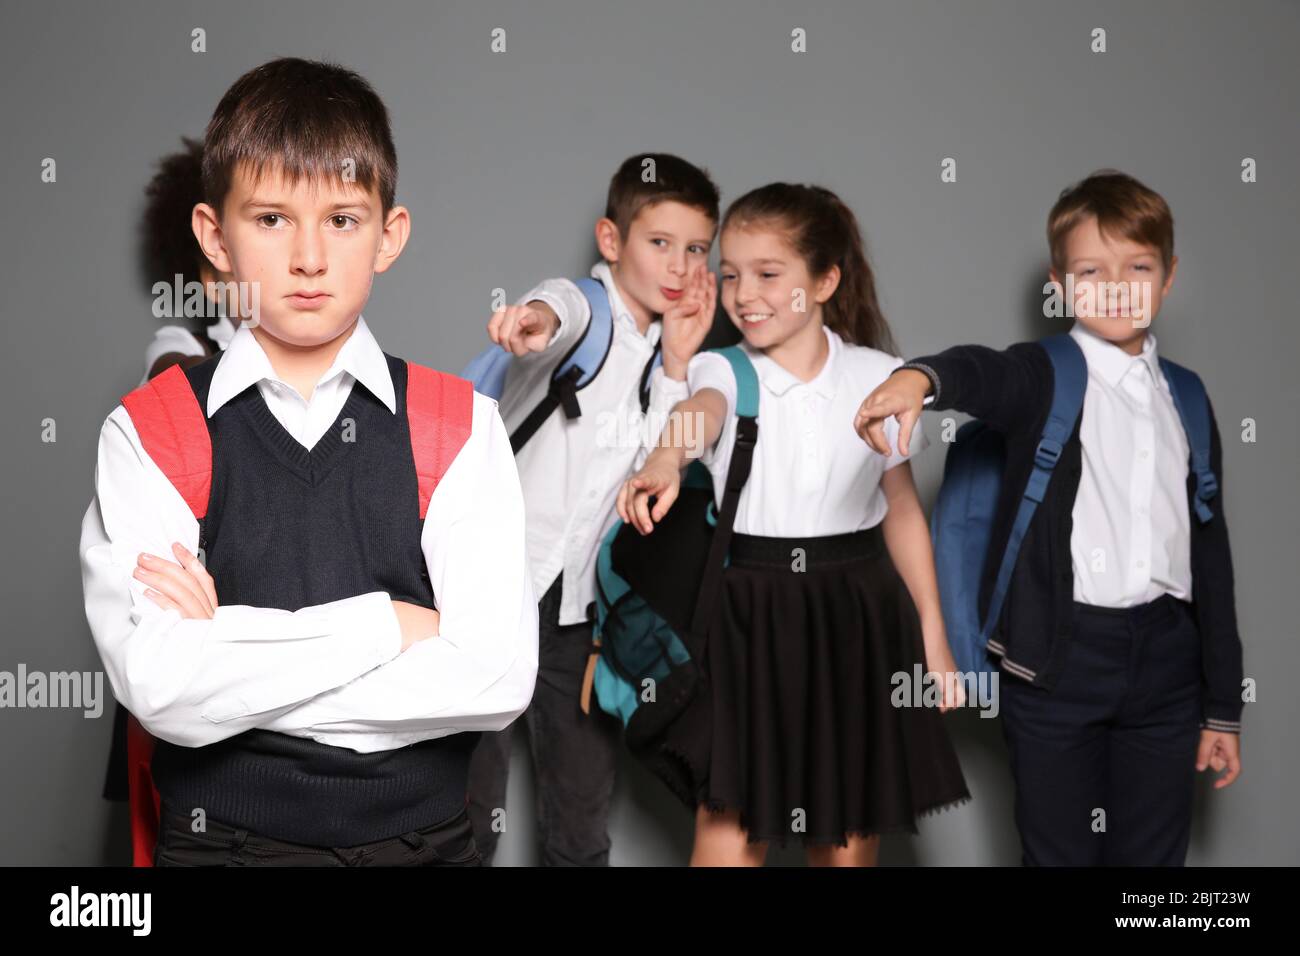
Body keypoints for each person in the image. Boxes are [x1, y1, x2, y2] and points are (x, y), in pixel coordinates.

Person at [79, 57, 538, 867]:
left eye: (342, 219)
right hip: (221, 848)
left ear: (389, 235)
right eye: (270, 219)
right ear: (213, 237)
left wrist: (227, 652)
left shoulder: (460, 425)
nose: (309, 258)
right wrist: (389, 625)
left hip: (427, 847)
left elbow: (495, 679)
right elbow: (159, 690)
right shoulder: (151, 431)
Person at [856, 170, 1244, 865]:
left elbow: (1210, 556)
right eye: (1092, 270)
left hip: (1166, 665)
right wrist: (920, 379)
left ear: (1170, 275)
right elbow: (981, 371)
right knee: (1060, 855)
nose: (1118, 285)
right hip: (1057, 660)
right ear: (1060, 284)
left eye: (1139, 266)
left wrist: (1221, 706)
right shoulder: (1045, 374)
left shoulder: (1187, 395)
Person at [619, 183, 970, 866]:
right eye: (730, 275)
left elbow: (899, 507)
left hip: (858, 614)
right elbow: (702, 413)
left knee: (843, 844)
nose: (744, 293)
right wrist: (666, 458)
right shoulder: (722, 367)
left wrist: (933, 636)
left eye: (768, 274)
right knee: (728, 831)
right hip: (750, 611)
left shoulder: (882, 376)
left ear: (826, 279)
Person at [467, 153, 720, 866]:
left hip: (580, 617)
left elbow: (658, 473)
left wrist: (676, 364)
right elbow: (561, 305)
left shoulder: (676, 360)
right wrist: (533, 320)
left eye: (696, 249)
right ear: (612, 241)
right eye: (659, 242)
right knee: (465, 817)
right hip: (491, 592)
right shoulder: (588, 310)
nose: (678, 265)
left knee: (579, 826)